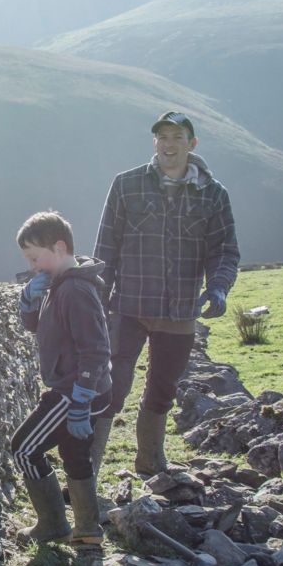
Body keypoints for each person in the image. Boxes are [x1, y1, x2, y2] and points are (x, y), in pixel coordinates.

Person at [93, 111, 239, 476]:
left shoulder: (213, 194)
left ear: (192, 143)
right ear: (154, 143)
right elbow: (106, 247)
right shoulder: (126, 185)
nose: (169, 144)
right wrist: (97, 298)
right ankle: (87, 467)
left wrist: (218, 288)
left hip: (179, 310)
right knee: (110, 386)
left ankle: (150, 463)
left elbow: (224, 250)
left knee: (162, 389)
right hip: (127, 305)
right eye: (162, 137)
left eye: (177, 137)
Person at [11, 211, 112, 545]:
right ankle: (87, 530)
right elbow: (35, 326)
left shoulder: (75, 291)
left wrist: (81, 401)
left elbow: (96, 350)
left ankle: (53, 524)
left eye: (35, 258)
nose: (34, 265)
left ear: (58, 247)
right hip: (83, 389)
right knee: (75, 453)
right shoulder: (59, 285)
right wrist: (28, 300)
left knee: (24, 449)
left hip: (74, 391)